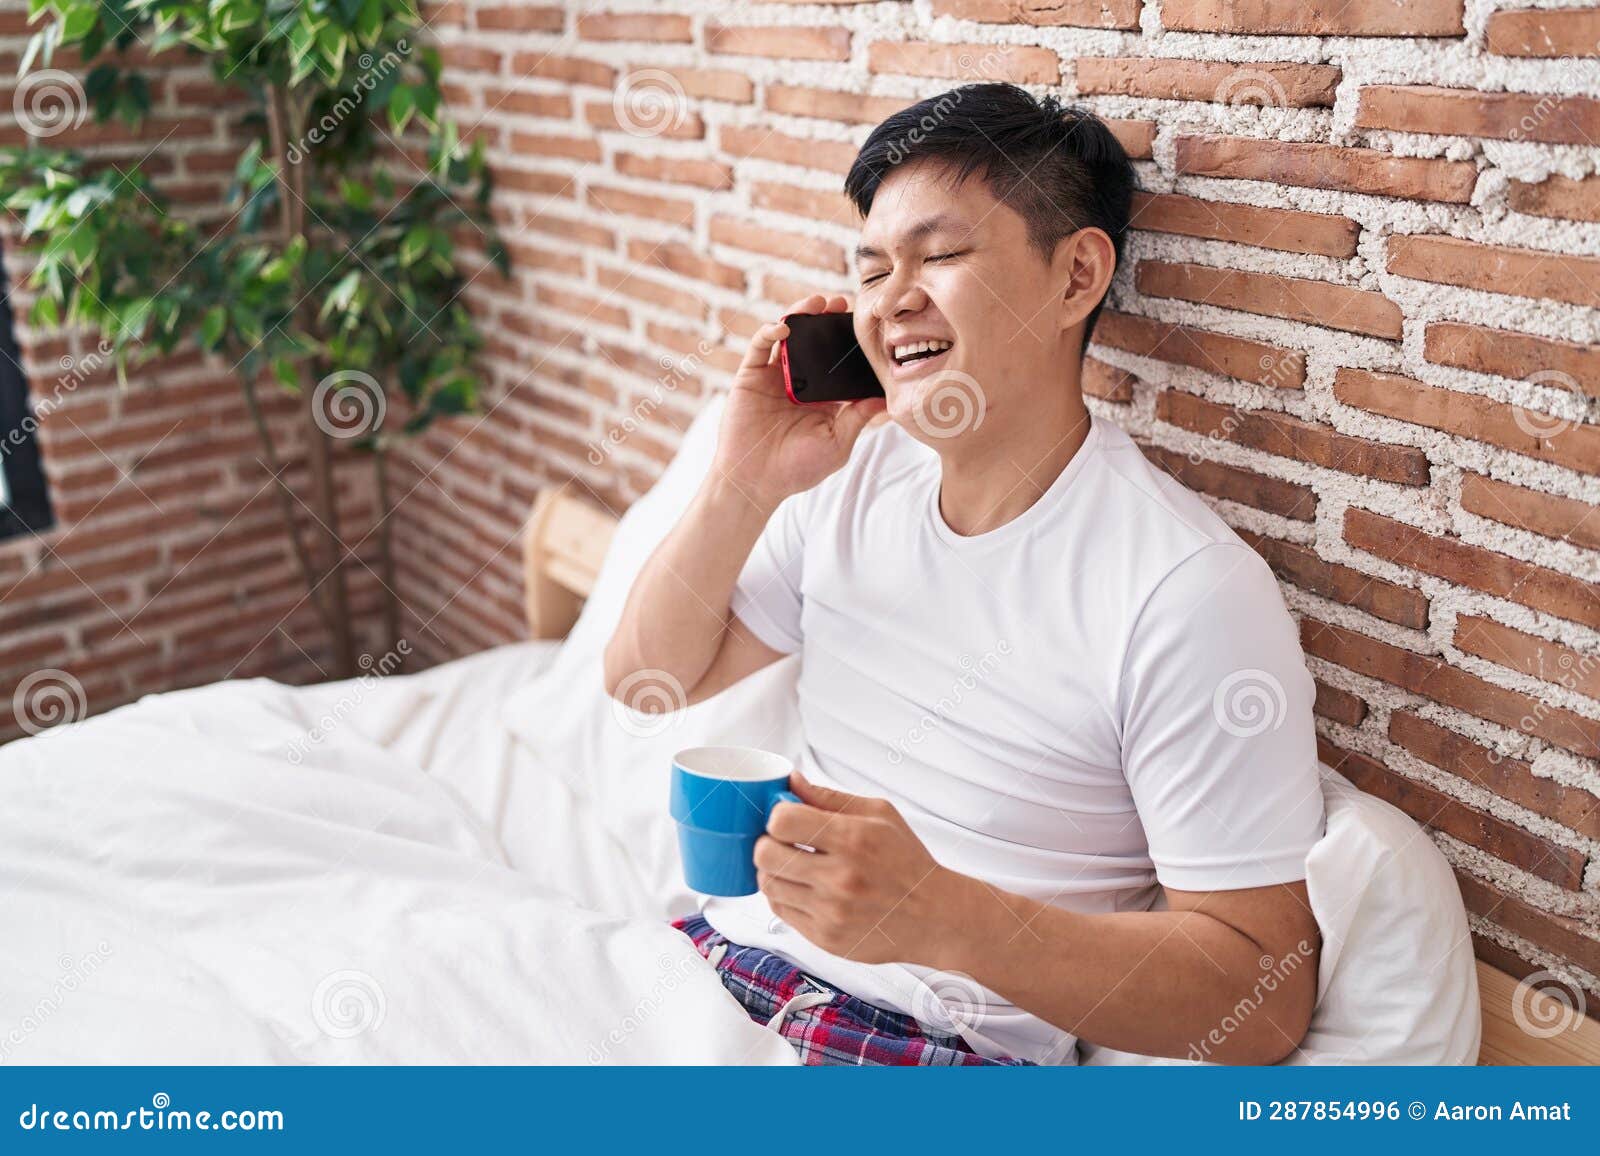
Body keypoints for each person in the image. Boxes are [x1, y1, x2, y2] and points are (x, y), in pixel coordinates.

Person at [603, 82, 1325, 1066]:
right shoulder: (847, 480)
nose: (893, 298)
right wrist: (740, 481)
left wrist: (943, 917)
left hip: (915, 1040)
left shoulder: (1184, 590)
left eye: (938, 255)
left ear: (1076, 277)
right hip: (717, 960)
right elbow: (650, 676)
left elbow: (1260, 1001)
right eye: (870, 270)